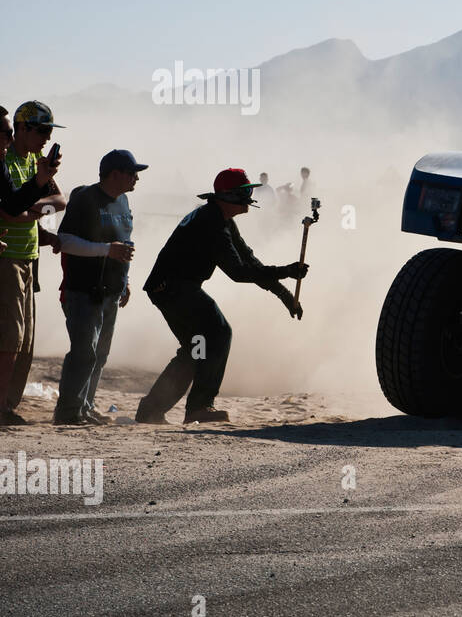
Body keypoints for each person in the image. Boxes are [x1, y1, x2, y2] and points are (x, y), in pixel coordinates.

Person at [135, 169, 308, 424]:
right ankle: (199, 408)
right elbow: (239, 272)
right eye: (245, 192)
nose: (250, 197)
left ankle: (151, 410)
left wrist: (283, 293)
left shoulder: (220, 219)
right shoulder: (212, 223)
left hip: (169, 288)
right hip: (174, 288)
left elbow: (249, 260)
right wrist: (287, 271)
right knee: (218, 333)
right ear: (229, 196)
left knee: (195, 350)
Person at [53, 150, 147, 425]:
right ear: (115, 173)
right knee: (84, 351)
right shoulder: (85, 198)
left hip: (111, 292)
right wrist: (106, 250)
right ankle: (68, 412)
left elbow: (124, 243)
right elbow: (65, 241)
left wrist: (125, 281)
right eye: (132, 173)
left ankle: (85, 406)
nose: (136, 178)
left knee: (99, 354)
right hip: (83, 291)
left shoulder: (124, 200)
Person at [0, 101, 68, 425]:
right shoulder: (6, 160)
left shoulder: (35, 164)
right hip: (7, 258)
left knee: (25, 340)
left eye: (49, 132)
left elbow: (60, 201)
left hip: (29, 255)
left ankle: (9, 405)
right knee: (10, 337)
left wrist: (34, 210)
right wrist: (29, 207)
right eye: (42, 131)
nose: (46, 138)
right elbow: (9, 209)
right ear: (22, 128)